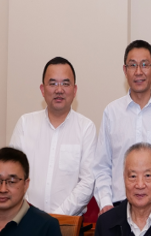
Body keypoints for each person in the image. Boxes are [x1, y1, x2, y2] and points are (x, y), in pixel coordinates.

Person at [94, 40, 151, 213]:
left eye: (144, 65)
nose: (138, 71)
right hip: (117, 208)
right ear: (125, 70)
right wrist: (105, 203)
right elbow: (101, 166)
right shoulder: (111, 112)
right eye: (132, 65)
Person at [9, 57, 96, 215]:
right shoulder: (25, 124)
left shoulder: (86, 128)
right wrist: (30, 215)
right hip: (26, 220)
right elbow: (12, 174)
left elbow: (87, 182)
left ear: (74, 90)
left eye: (65, 83)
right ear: (42, 90)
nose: (59, 90)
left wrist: (57, 217)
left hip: (69, 222)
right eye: (53, 83)